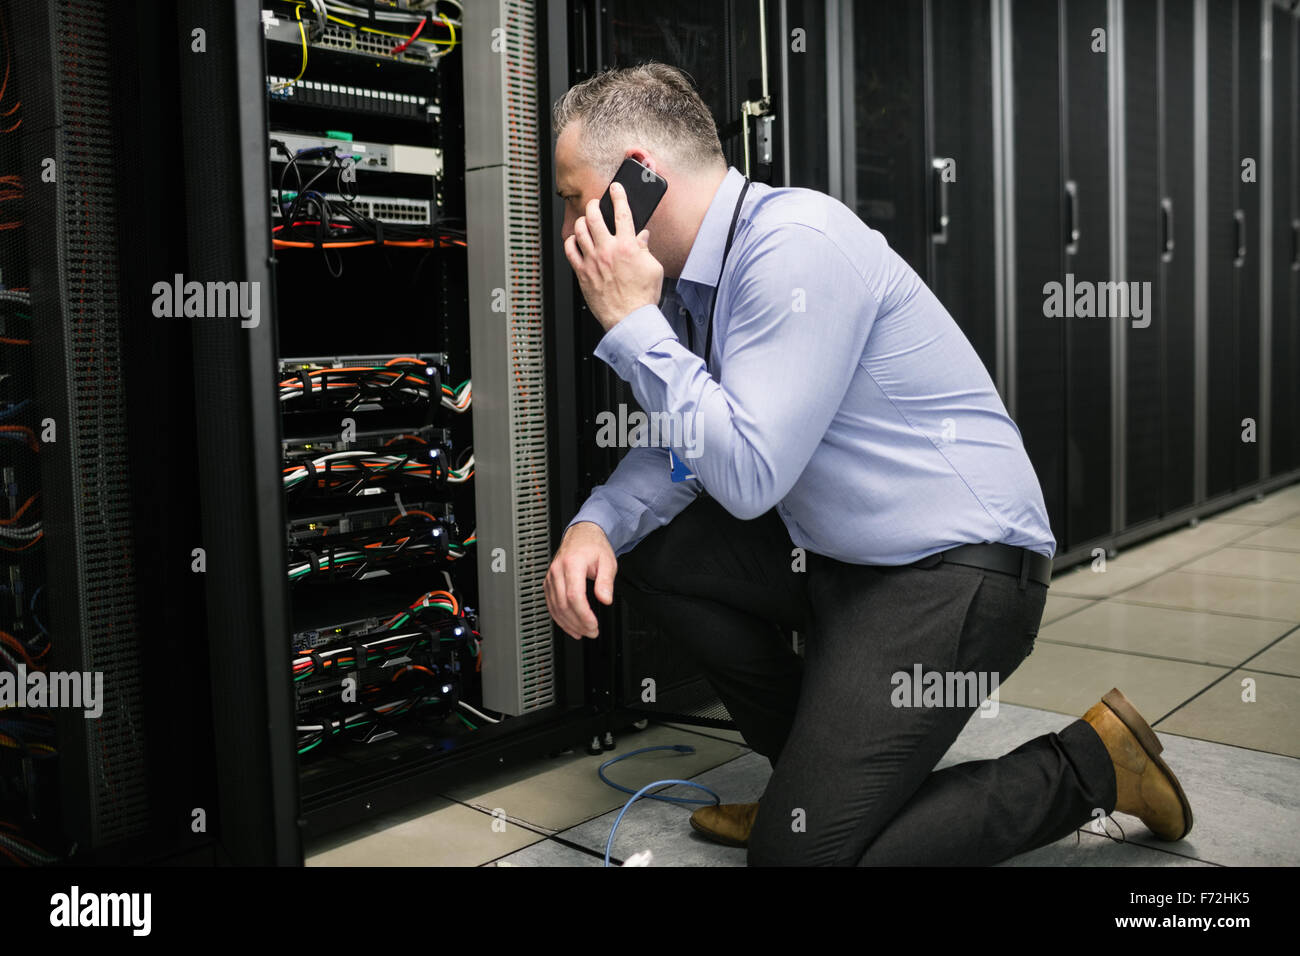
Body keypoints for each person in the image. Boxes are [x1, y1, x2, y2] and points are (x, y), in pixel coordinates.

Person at [543, 62, 1192, 865]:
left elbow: (746, 478)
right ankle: (810, 794)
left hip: (957, 573)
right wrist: (594, 525)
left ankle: (1092, 766)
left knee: (795, 862)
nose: (569, 226)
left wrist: (634, 324)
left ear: (640, 178)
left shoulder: (793, 248)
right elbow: (688, 447)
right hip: (847, 564)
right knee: (641, 550)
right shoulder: (692, 288)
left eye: (575, 198)